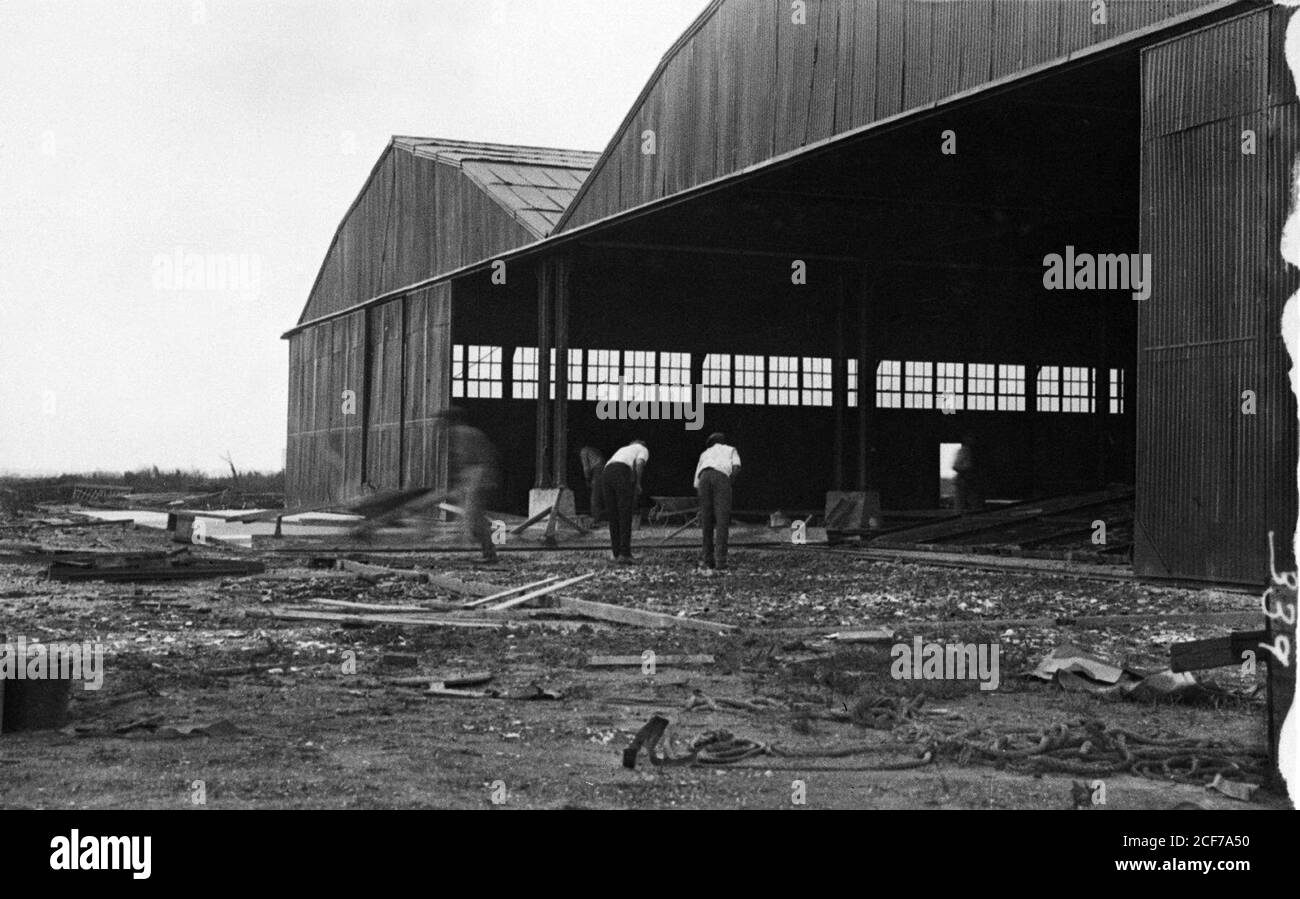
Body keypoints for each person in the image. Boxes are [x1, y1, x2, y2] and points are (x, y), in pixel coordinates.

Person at [441, 408, 500, 562]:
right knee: (476, 517)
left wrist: (466, 481)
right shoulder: (469, 432)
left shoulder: (461, 433)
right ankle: (489, 553)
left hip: (477, 476)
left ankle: (489, 554)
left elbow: (466, 458)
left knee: (474, 518)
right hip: (477, 476)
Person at [694, 432, 741, 573]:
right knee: (722, 520)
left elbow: (697, 482)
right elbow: (737, 467)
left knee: (706, 521)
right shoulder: (730, 449)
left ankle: (708, 561)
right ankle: (721, 562)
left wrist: (702, 504)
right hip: (721, 476)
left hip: (703, 478)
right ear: (723, 441)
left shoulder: (705, 453)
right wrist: (728, 483)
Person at [602, 439, 647, 563]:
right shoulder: (642, 449)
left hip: (606, 472)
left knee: (613, 515)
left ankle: (616, 554)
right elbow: (639, 464)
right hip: (620, 471)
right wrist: (637, 484)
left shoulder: (623, 449)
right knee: (625, 513)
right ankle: (625, 554)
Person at [579, 445, 607, 524]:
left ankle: (595, 518)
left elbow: (586, 467)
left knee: (595, 495)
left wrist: (587, 479)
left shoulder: (583, 451)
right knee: (604, 494)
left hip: (598, 469)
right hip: (605, 467)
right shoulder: (594, 449)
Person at [953, 433, 978, 515]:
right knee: (960, 503)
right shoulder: (964, 451)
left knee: (973, 501)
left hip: (969, 480)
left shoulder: (970, 451)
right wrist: (966, 471)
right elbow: (956, 466)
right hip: (963, 480)